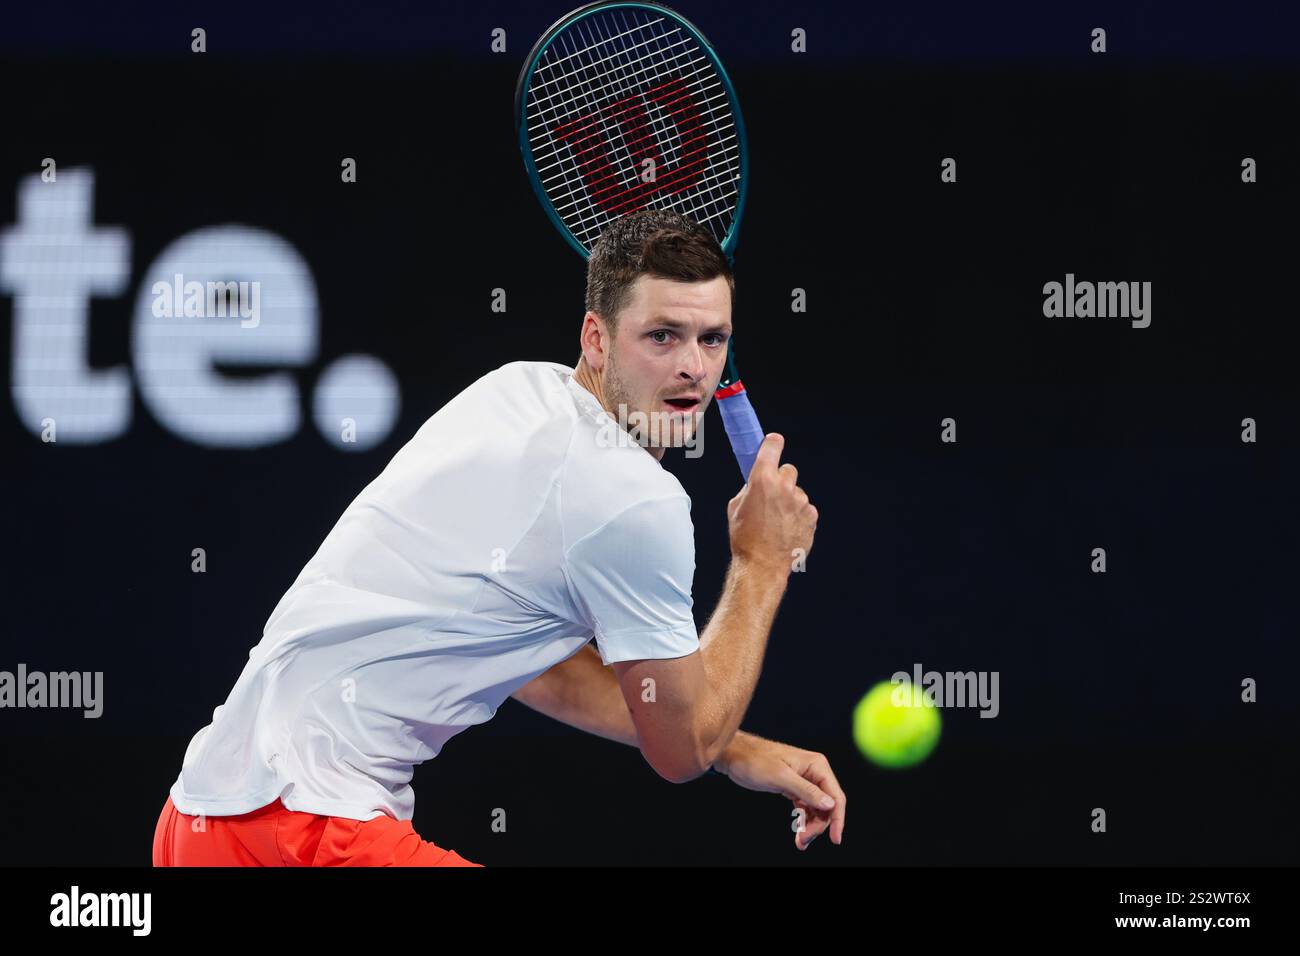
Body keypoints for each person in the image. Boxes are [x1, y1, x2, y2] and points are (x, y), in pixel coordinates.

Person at [152, 209, 844, 867]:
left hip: (201, 824)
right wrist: (761, 561)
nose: (692, 366)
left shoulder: (513, 392)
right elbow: (682, 749)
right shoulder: (634, 500)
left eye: (711, 338)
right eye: (662, 336)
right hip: (309, 828)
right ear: (596, 340)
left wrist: (735, 747)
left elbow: (536, 665)